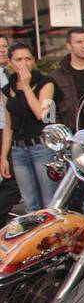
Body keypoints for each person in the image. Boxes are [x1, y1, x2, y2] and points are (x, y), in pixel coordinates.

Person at [1, 42, 58, 212]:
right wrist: (3, 156)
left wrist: (26, 86)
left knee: (49, 202)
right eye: (18, 59)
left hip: (41, 147)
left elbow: (41, 114)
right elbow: (9, 125)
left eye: (27, 58)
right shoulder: (7, 89)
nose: (23, 63)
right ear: (10, 62)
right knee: (30, 204)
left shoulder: (46, 82)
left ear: (34, 61)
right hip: (19, 150)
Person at [0, 37, 20, 220]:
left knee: (12, 180)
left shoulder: (9, 75)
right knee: (12, 180)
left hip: (11, 131)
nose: (2, 50)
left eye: (5, 46)